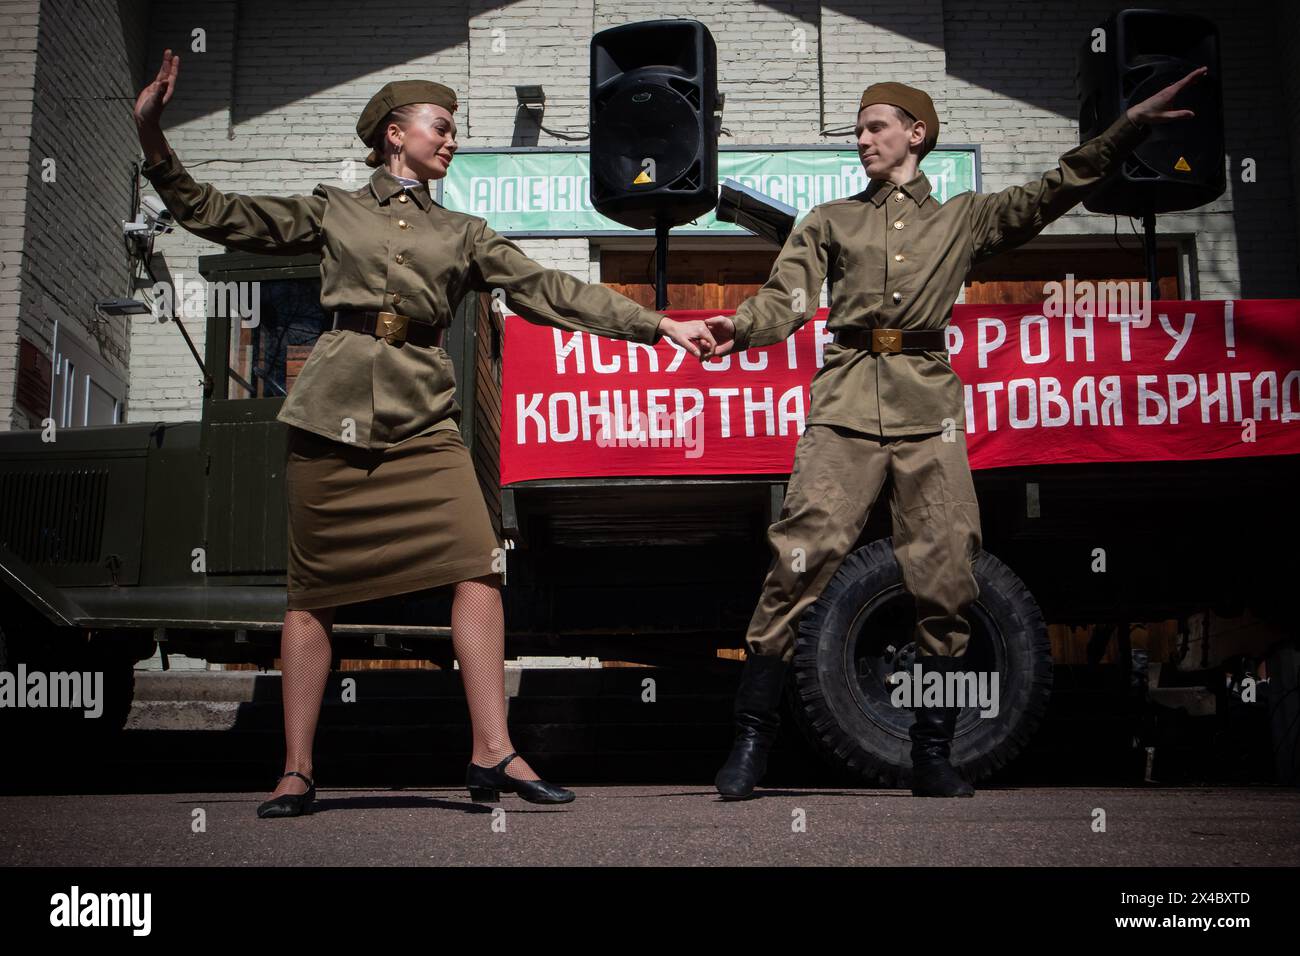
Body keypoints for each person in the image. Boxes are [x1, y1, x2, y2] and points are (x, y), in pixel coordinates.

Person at [132, 50, 718, 818]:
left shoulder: (465, 232)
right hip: (329, 415)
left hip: (423, 420)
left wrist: (654, 325)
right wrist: (153, 139)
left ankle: (492, 748)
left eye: (452, 130)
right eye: (440, 127)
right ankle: (297, 770)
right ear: (393, 136)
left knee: (478, 565)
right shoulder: (333, 211)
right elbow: (218, 212)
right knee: (313, 595)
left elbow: (549, 291)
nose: (451, 141)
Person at [705, 69, 1209, 799]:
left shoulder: (964, 219)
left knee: (945, 576)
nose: (863, 138)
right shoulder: (829, 219)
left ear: (916, 134)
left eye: (878, 125)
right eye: (859, 127)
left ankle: (932, 749)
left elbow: (1055, 187)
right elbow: (784, 300)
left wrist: (1128, 125)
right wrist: (739, 330)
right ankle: (751, 741)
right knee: (797, 562)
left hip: (927, 407)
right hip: (843, 401)